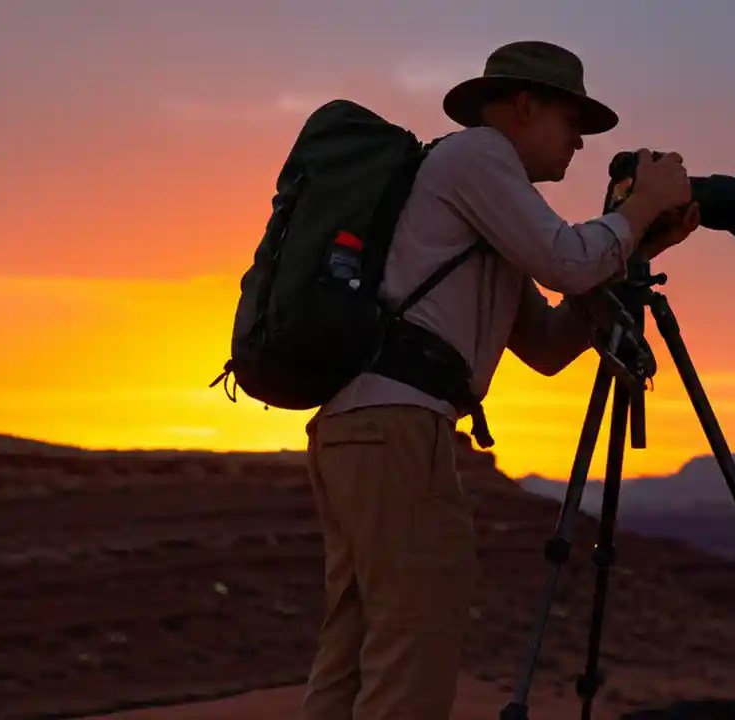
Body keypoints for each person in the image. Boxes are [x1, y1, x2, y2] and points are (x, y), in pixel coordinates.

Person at [299, 40, 700, 720]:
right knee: (413, 645)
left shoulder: (480, 196)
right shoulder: (477, 155)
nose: (578, 143)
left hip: (368, 429)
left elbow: (544, 344)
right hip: (397, 429)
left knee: (360, 640)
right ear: (524, 106)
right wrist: (636, 211)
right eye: (572, 122)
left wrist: (640, 245)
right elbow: (568, 262)